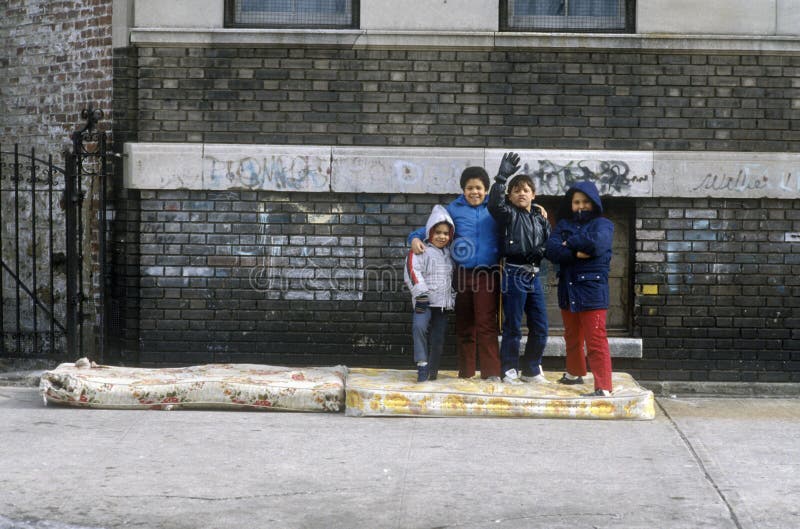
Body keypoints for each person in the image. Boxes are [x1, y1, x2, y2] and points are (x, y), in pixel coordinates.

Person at [407, 166, 503, 381]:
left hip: (487, 275)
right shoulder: (454, 209)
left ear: (486, 190)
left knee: (486, 323)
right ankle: (466, 372)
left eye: (479, 188)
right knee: (465, 324)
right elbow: (430, 228)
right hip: (461, 274)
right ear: (463, 190)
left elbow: (517, 211)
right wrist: (414, 238)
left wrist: (536, 208)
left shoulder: (495, 207)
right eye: (469, 188)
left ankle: (491, 373)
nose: (474, 192)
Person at [545, 181, 615, 397]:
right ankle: (574, 373)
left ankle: (604, 387)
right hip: (568, 288)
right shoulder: (563, 224)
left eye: (585, 201)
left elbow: (597, 245)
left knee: (595, 339)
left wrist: (568, 242)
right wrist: (575, 252)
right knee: (572, 336)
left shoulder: (603, 224)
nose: (581, 206)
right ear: (571, 204)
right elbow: (551, 250)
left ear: (594, 202)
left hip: (592, 289)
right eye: (576, 202)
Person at [487, 152, 551, 385]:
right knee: (513, 326)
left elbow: (549, 242)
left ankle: (532, 369)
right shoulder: (508, 213)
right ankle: (509, 369)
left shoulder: (540, 218)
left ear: (533, 195)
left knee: (541, 326)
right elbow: (494, 204)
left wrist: (541, 251)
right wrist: (501, 178)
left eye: (525, 190)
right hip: (514, 273)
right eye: (516, 191)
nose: (521, 193)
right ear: (510, 196)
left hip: (535, 275)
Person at [403, 205, 456, 382]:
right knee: (419, 329)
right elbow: (412, 271)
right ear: (430, 232)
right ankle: (422, 365)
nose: (442, 236)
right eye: (438, 232)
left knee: (438, 338)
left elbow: (451, 279)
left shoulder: (449, 254)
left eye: (446, 233)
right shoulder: (421, 250)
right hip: (423, 302)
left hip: (442, 305)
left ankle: (432, 371)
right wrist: (421, 294)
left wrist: (452, 298)